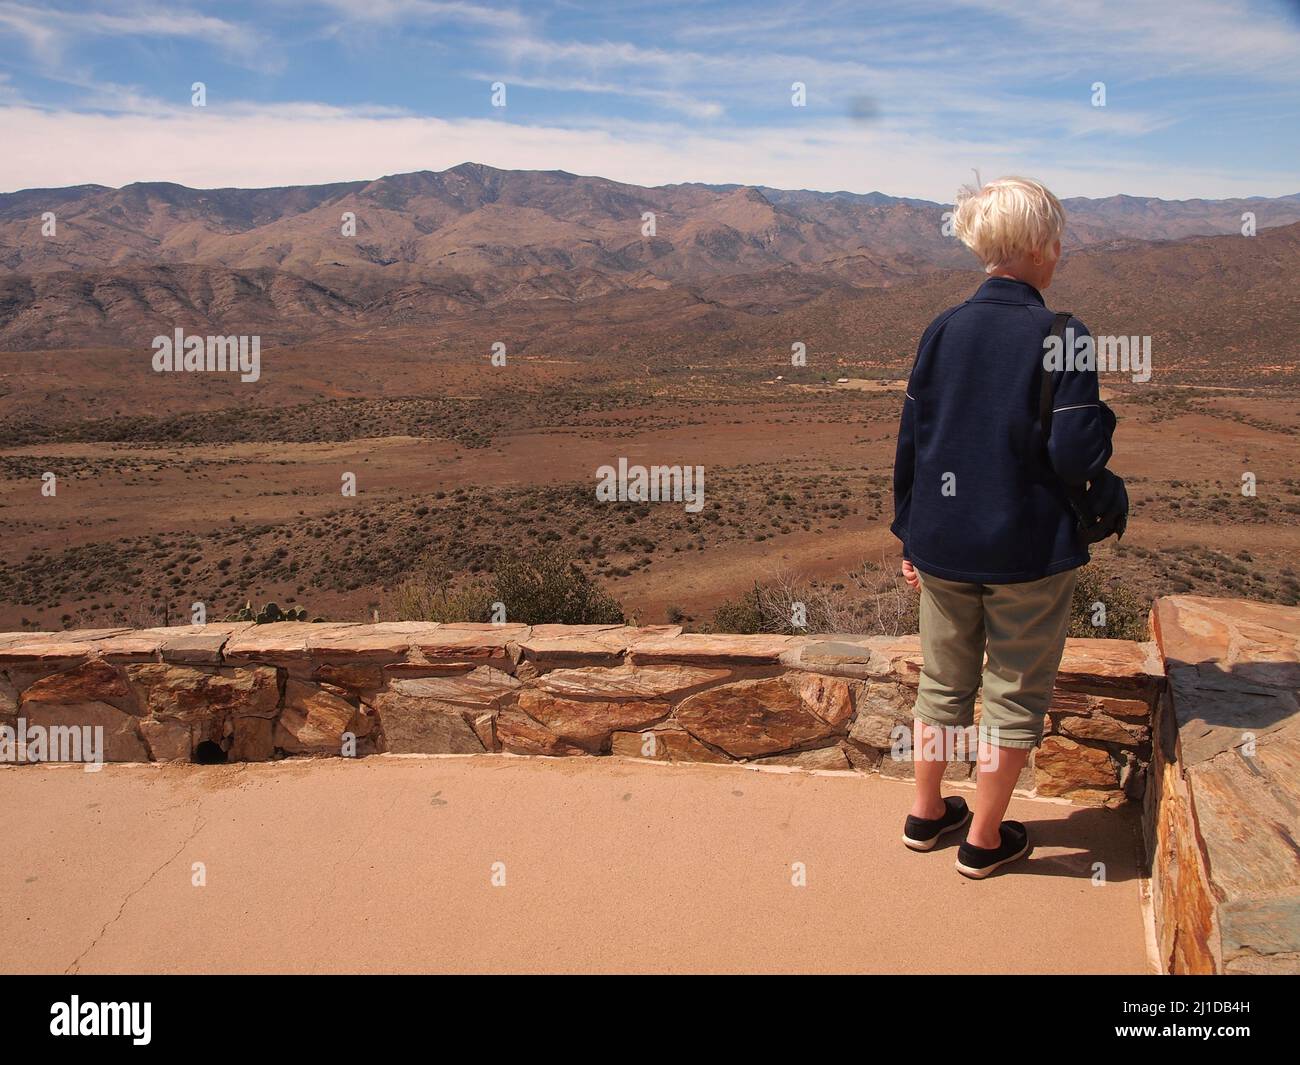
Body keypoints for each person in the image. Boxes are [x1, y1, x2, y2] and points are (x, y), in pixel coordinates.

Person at [890, 176, 1117, 878]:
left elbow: (912, 441)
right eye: (1059, 240)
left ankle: (926, 813)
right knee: (1014, 689)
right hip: (1026, 548)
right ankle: (984, 838)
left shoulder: (944, 329)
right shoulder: (1062, 335)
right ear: (1041, 246)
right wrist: (1106, 477)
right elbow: (1075, 450)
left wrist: (910, 534)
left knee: (943, 680)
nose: (1061, 252)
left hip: (943, 544)